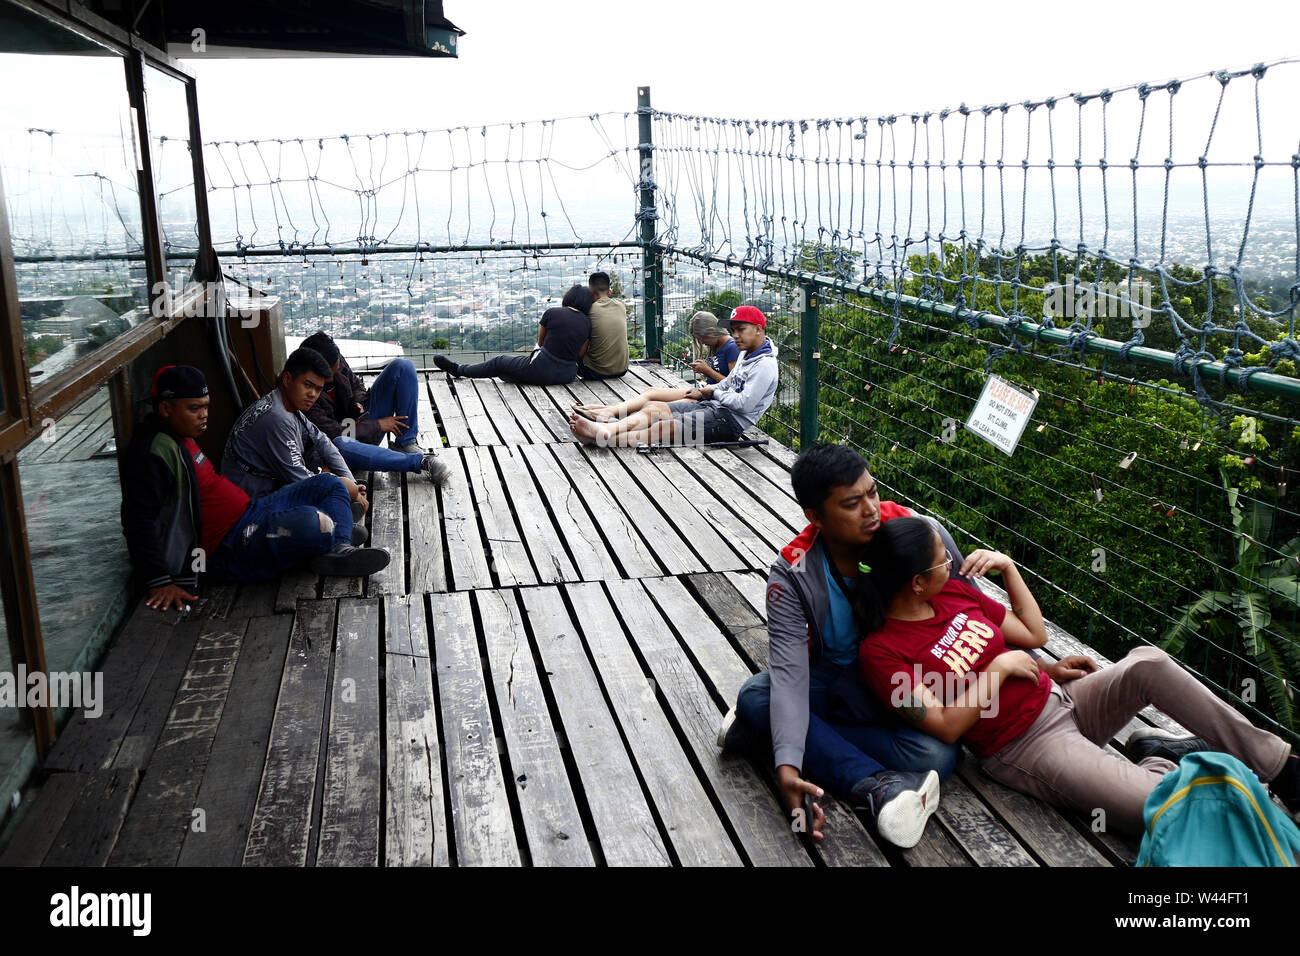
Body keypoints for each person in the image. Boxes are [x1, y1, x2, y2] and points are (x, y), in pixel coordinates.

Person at [853, 516, 1300, 837]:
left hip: (1060, 699)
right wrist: (1000, 666)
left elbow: (1033, 633)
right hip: (1024, 745)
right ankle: (1166, 761)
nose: (951, 566)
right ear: (914, 582)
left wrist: (1009, 570)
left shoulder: (951, 592)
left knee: (1147, 662)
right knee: (1164, 803)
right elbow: (945, 724)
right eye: (941, 562)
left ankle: (1281, 768)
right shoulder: (882, 654)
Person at [715, 443, 969, 848]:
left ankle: (772, 732)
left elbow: (971, 612)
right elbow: (791, 673)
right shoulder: (793, 572)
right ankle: (875, 785)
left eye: (873, 492)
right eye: (852, 503)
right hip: (837, 682)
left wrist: (1031, 666)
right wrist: (787, 767)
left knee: (934, 756)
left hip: (908, 680)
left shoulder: (915, 533)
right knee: (760, 694)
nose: (871, 509)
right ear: (815, 516)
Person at [122, 365, 390, 613]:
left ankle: (338, 546)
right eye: (194, 408)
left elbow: (322, 442)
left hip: (253, 509)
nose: (204, 415)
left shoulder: (181, 437)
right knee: (312, 522)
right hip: (229, 544)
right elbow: (137, 520)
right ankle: (331, 528)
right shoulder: (153, 453)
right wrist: (158, 580)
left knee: (330, 483)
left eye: (205, 407)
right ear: (166, 409)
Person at [568, 305, 776, 448]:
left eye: (741, 329)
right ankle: (607, 428)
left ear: (758, 329)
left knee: (665, 427)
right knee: (654, 408)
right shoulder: (745, 353)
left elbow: (745, 405)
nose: (736, 335)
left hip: (730, 422)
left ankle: (602, 438)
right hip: (714, 405)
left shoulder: (765, 365)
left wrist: (712, 391)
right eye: (734, 330)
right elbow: (730, 382)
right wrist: (706, 393)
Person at [222, 348, 370, 522]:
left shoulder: (289, 407)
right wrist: (346, 487)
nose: (312, 395)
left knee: (336, 454)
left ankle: (342, 520)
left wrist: (351, 483)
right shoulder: (277, 418)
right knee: (319, 508)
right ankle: (340, 536)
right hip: (251, 505)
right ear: (287, 379)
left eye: (318, 389)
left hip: (274, 484)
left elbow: (323, 442)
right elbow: (302, 481)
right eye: (307, 385)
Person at [299, 331, 448, 485]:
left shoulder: (334, 358)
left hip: (358, 421)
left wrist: (358, 402)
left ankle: (406, 443)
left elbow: (356, 385)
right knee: (340, 443)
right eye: (330, 374)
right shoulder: (304, 393)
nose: (334, 376)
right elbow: (332, 433)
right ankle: (421, 462)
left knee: (403, 366)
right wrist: (378, 425)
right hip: (343, 442)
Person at [432, 285, 592, 385]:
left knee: (499, 361)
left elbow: (541, 344)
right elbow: (580, 354)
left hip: (540, 368)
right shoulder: (587, 323)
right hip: (568, 375)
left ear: (568, 298)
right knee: (511, 368)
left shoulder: (552, 313)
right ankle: (514, 374)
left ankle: (459, 370)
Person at [577, 271, 629, 380]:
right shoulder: (621, 305)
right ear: (609, 291)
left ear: (591, 290)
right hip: (622, 369)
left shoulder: (589, 310)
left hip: (595, 372)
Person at [686, 310, 739, 384]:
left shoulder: (732, 347)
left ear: (712, 331)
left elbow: (733, 384)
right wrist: (703, 370)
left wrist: (707, 370)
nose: (702, 343)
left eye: (702, 338)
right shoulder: (716, 346)